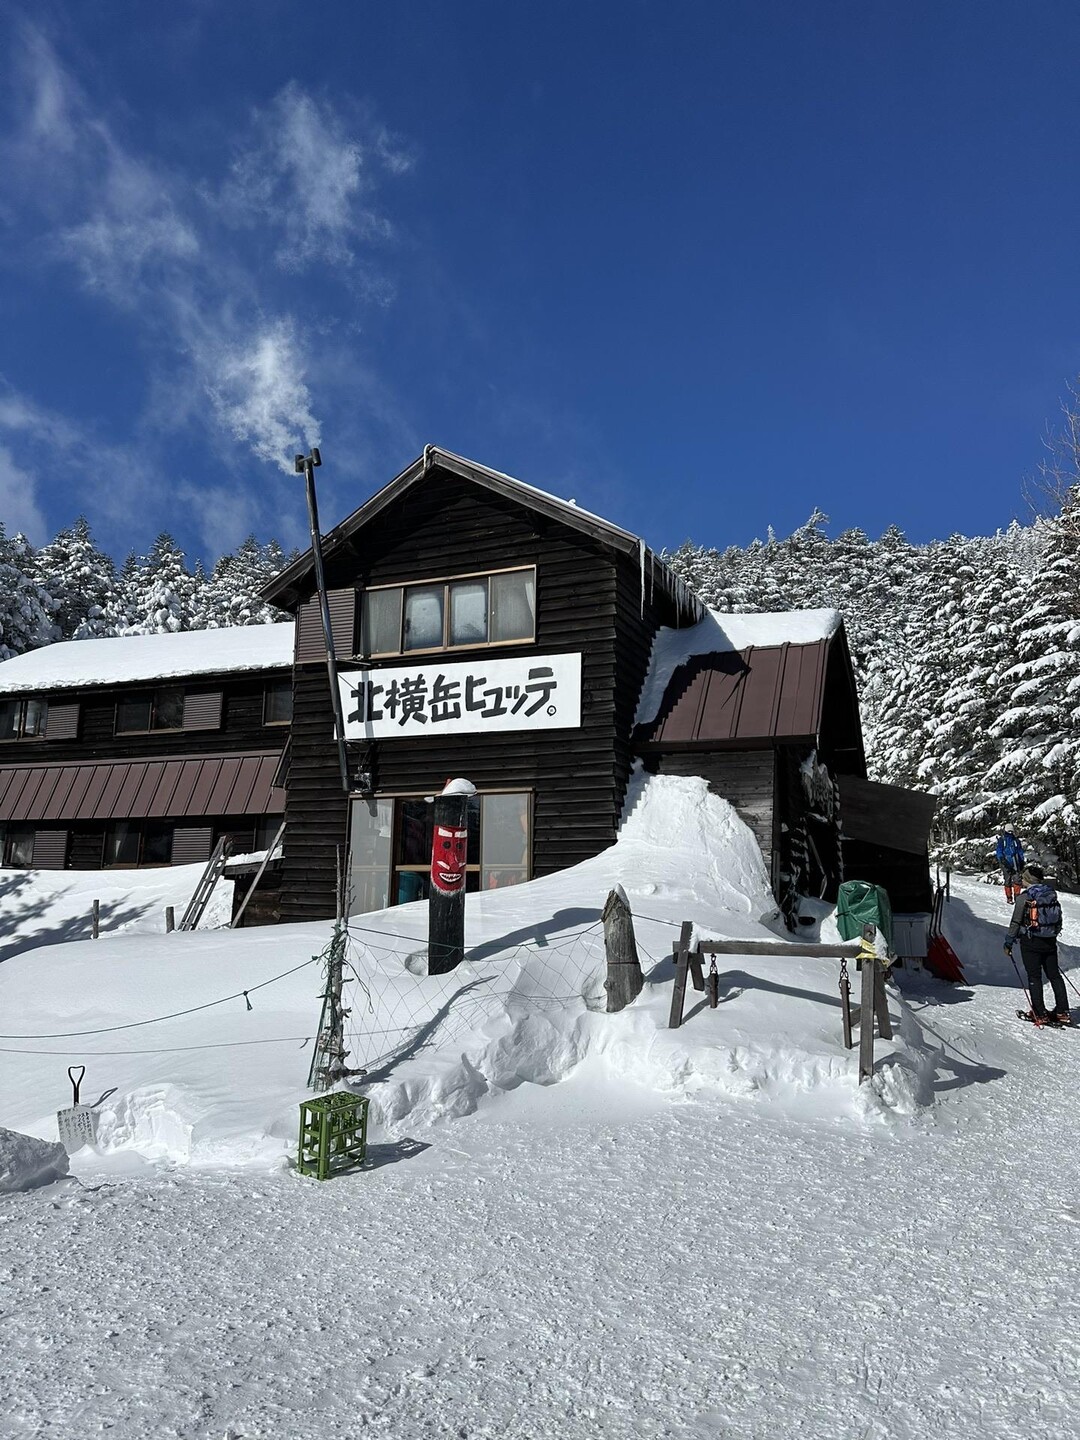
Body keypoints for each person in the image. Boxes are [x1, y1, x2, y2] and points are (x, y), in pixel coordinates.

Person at [1004, 863, 1068, 1024]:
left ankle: (1040, 1013)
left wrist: (1008, 942)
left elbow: (1016, 922)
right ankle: (1063, 1012)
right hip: (1049, 940)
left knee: (1035, 977)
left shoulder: (1025, 897)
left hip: (1031, 942)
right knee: (1054, 975)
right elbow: (1058, 918)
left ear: (1028, 880)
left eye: (1024, 878)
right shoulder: (1050, 894)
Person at [995, 825, 1026, 902]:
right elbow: (999, 851)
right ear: (1005, 831)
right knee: (1007, 880)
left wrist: (1021, 861)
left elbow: (1020, 851)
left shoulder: (1016, 840)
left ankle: (1017, 896)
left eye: (1011, 831)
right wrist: (1002, 860)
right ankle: (1009, 897)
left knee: (1017, 880)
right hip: (1006, 863)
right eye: (1009, 831)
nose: (1010, 832)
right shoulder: (1002, 840)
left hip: (1015, 863)